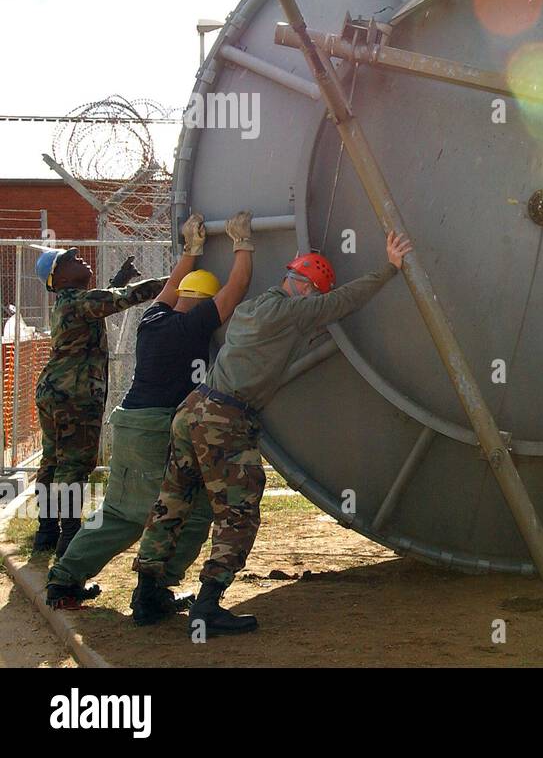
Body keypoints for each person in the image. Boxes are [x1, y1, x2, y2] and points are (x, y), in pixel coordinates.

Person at [131, 228, 414, 636]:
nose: (315, 302)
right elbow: (343, 302)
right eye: (315, 294)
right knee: (238, 510)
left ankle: (146, 595)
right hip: (224, 419)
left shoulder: (257, 306)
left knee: (172, 501)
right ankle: (208, 605)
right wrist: (390, 268)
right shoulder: (291, 312)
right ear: (306, 291)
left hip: (192, 409)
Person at [44, 212, 253, 610]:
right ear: (204, 304)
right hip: (158, 428)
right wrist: (243, 243)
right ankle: (155, 589)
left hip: (130, 423)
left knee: (121, 512)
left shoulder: (154, 319)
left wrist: (191, 251)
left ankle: (63, 580)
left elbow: (172, 286)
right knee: (192, 512)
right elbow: (238, 286)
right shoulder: (193, 326)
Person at [30, 247, 165, 555]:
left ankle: (47, 531)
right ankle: (70, 538)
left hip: (54, 390)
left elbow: (105, 298)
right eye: (72, 260)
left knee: (52, 460)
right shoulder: (79, 302)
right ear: (60, 277)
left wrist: (119, 277)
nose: (81, 260)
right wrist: (177, 278)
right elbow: (122, 298)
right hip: (75, 395)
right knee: (74, 464)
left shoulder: (72, 302)